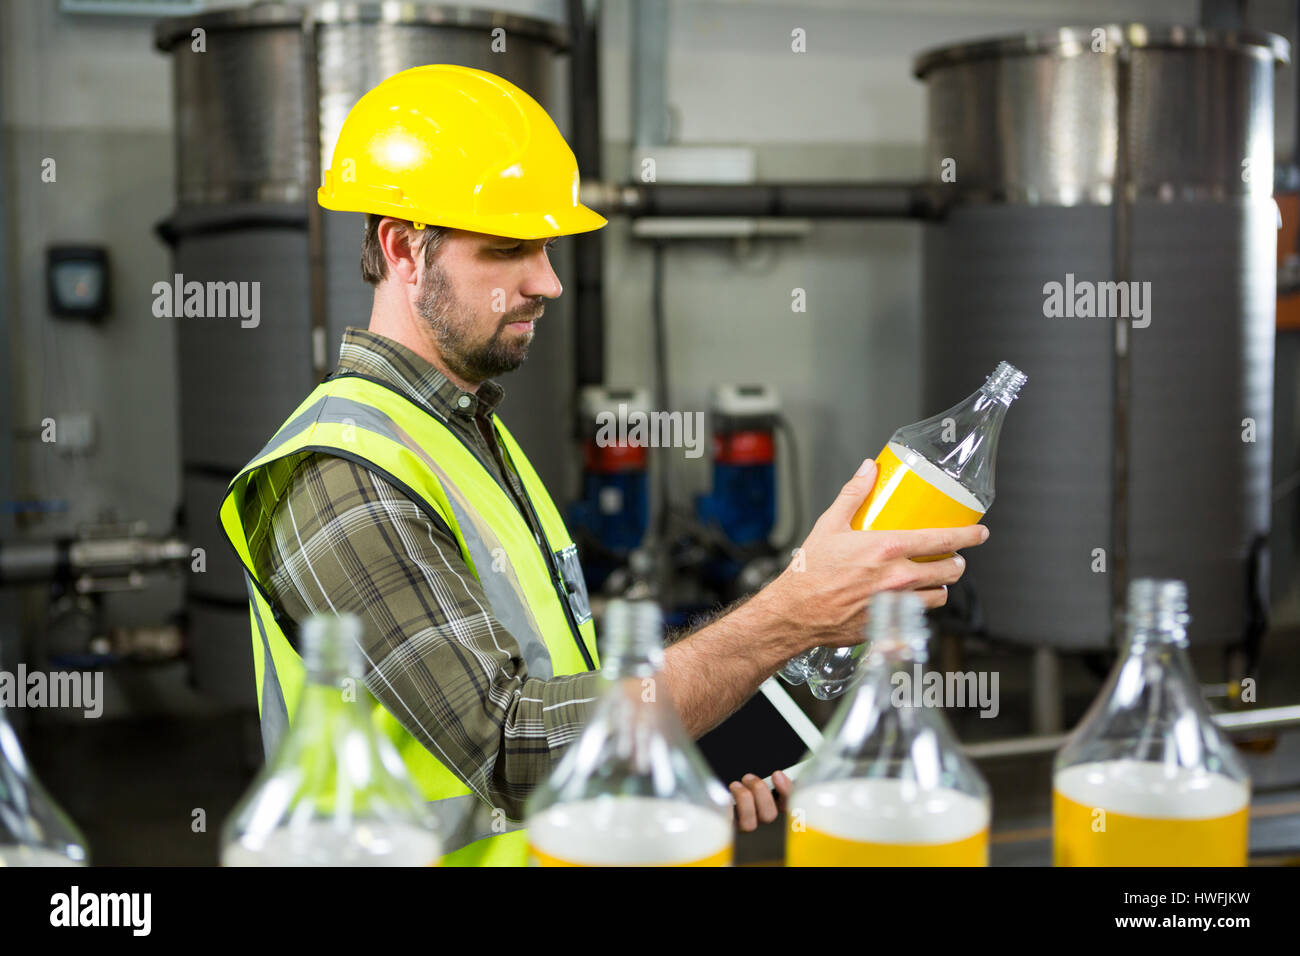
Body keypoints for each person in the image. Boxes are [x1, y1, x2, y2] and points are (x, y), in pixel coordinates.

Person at [219, 64, 987, 865]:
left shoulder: (461, 426)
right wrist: (791, 613)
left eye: (546, 246)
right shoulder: (341, 473)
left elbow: (558, 701)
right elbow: (515, 752)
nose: (547, 280)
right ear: (404, 250)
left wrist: (668, 764)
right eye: (509, 248)